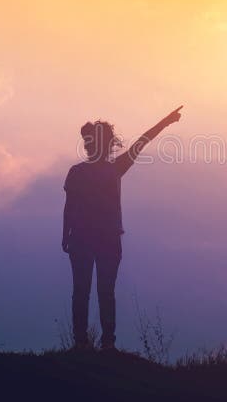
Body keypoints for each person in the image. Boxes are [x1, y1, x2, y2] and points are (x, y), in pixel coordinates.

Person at [62, 106, 183, 350]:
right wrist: (166, 121)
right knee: (104, 292)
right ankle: (106, 343)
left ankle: (82, 343)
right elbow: (142, 141)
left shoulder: (78, 172)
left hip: (84, 240)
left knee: (82, 292)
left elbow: (69, 208)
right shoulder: (114, 169)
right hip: (105, 239)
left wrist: (65, 236)